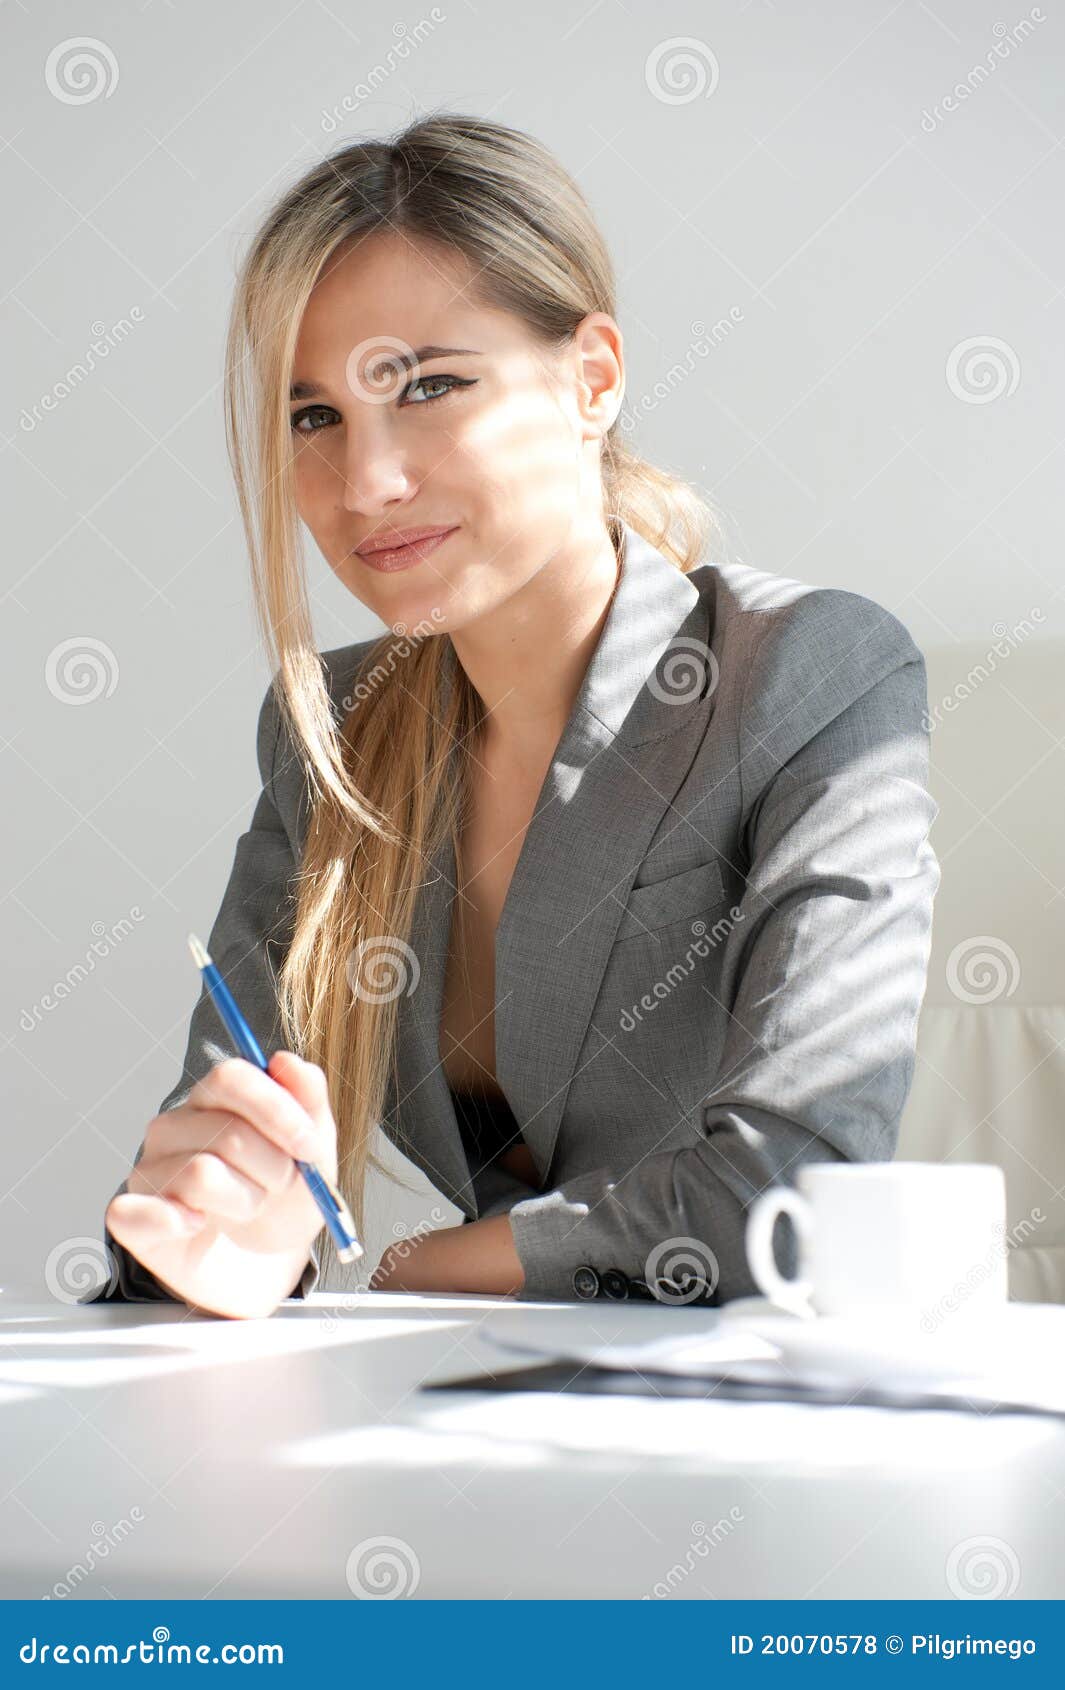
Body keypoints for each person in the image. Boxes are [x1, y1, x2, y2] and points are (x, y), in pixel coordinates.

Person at [88, 112, 940, 1320]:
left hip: (756, 1401)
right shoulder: (328, 732)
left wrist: (410, 1267)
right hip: (468, 1394)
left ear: (592, 379)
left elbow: (793, 1198)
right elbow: (226, 1163)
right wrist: (206, 1242)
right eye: (314, 416)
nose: (367, 483)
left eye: (429, 386)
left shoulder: (809, 673)